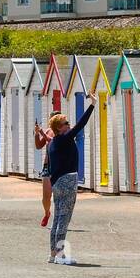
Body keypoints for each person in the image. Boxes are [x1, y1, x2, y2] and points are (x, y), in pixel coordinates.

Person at [46, 105, 94, 265]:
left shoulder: (53, 143)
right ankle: (60, 255)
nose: (69, 124)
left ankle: (53, 254)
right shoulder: (64, 139)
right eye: (66, 123)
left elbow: (52, 166)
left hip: (57, 183)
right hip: (67, 181)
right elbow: (81, 125)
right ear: (60, 128)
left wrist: (53, 183)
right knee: (63, 220)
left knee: (57, 219)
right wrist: (92, 105)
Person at [33, 115, 58, 228]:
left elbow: (53, 141)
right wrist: (37, 133)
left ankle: (59, 219)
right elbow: (38, 146)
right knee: (46, 196)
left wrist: (42, 132)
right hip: (48, 166)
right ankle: (47, 213)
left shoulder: (64, 132)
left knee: (59, 196)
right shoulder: (48, 131)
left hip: (60, 166)